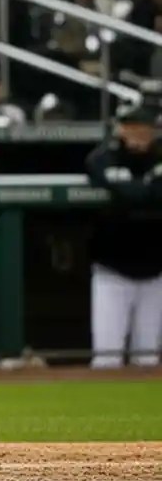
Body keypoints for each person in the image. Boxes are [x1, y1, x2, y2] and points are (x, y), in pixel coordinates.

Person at [84, 94, 162, 368]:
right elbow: (141, 194)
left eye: (143, 127)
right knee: (107, 358)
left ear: (154, 129)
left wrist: (133, 189)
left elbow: (144, 194)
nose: (137, 133)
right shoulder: (103, 156)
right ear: (120, 128)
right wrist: (144, 188)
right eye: (130, 127)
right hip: (112, 273)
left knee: (148, 359)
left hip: (155, 274)